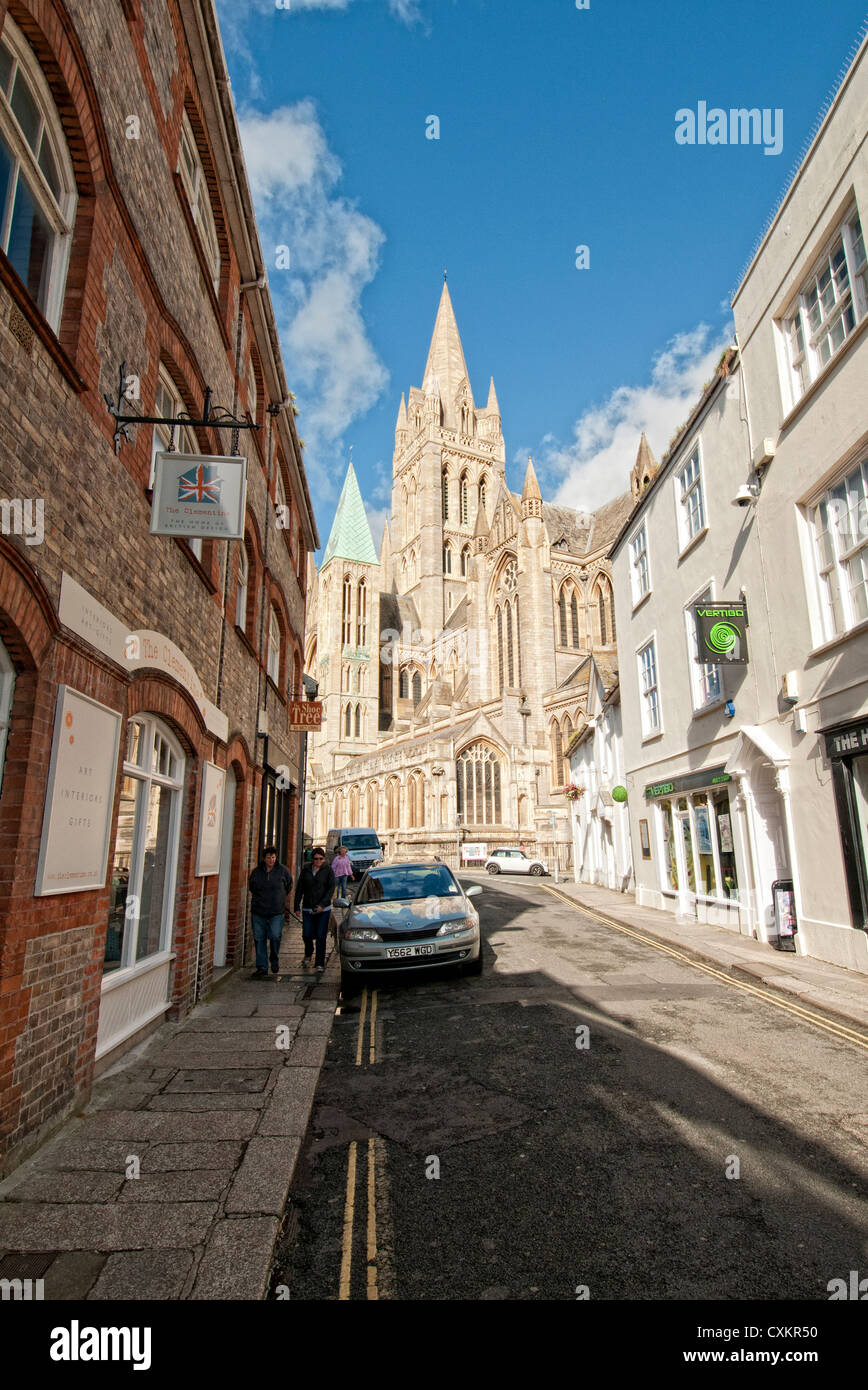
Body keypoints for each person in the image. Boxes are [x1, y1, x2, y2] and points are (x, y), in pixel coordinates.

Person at [248, 845, 293, 978]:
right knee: (259, 938)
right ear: (264, 858)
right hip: (259, 910)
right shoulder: (257, 872)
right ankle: (262, 966)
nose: (271, 860)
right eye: (269, 857)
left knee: (275, 936)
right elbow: (252, 887)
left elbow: (289, 886)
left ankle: (274, 958)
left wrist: (279, 899)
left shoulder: (283, 871)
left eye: (273, 857)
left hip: (276, 911)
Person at [293, 846, 335, 973]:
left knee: (321, 936)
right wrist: (296, 906)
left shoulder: (328, 870)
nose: (318, 861)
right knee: (307, 934)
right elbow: (300, 889)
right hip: (308, 908)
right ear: (312, 859)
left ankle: (319, 962)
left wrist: (322, 905)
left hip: (324, 909)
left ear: (324, 859)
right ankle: (309, 952)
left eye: (321, 859)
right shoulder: (306, 870)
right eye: (316, 859)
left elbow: (331, 889)